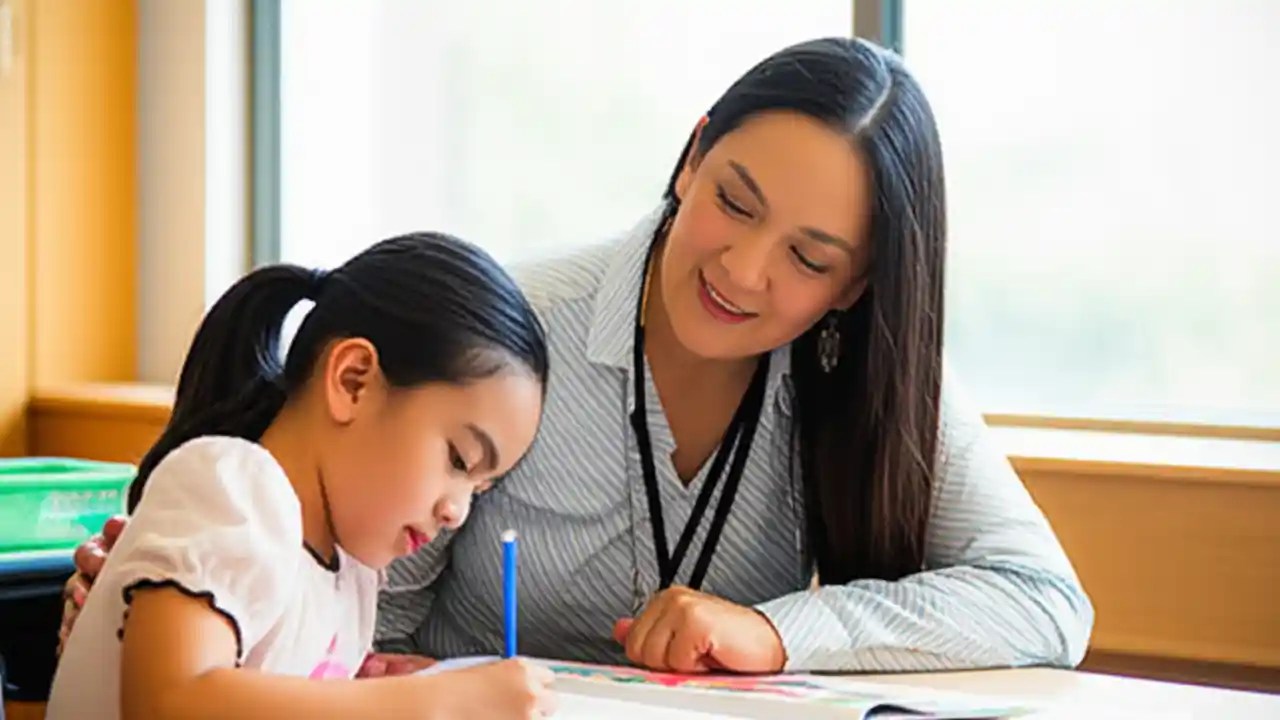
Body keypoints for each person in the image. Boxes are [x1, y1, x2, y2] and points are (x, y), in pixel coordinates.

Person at [66, 37, 1093, 678]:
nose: (740, 269)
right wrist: (186, 594)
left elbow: (1044, 602)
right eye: (732, 200)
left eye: (808, 259)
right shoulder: (515, 344)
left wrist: (776, 635)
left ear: (855, 286)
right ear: (690, 155)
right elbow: (351, 606)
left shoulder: (870, 380)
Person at [48, 234, 557, 720]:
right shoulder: (232, 489)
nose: (457, 511)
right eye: (460, 461)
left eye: (479, 489)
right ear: (353, 380)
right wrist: (426, 706)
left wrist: (373, 687)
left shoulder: (349, 573)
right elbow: (169, 702)